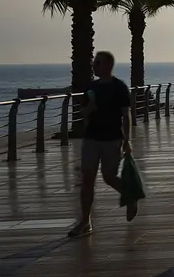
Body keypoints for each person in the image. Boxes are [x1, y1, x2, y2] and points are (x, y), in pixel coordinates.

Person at [67, 51, 136, 238]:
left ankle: (129, 196)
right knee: (87, 179)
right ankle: (85, 221)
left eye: (97, 63)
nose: (93, 66)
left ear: (107, 65)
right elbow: (84, 114)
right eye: (94, 63)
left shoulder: (119, 87)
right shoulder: (91, 87)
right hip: (91, 139)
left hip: (112, 138)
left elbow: (125, 114)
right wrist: (88, 110)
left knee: (109, 176)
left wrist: (127, 140)